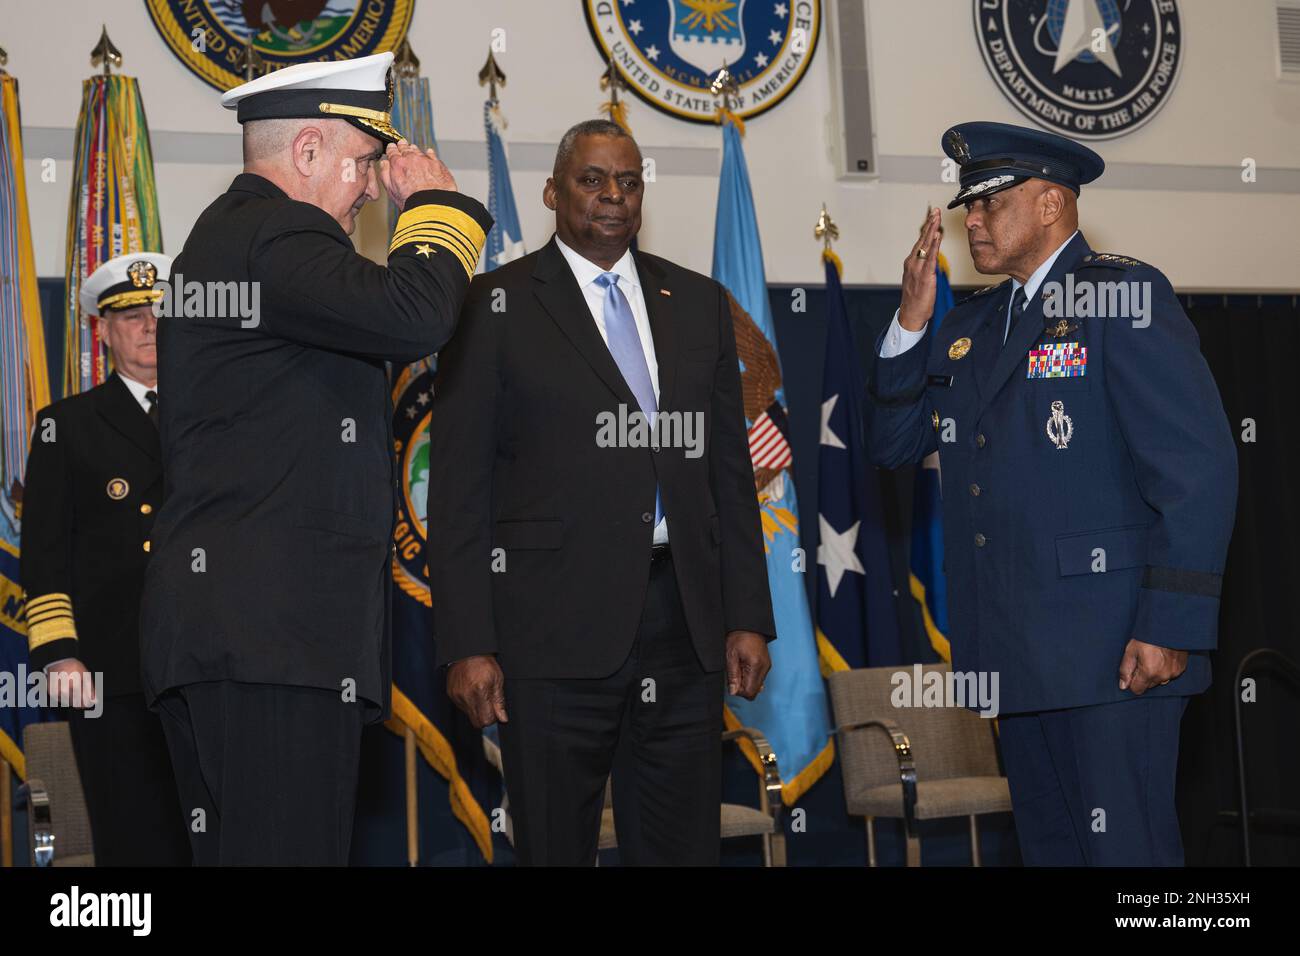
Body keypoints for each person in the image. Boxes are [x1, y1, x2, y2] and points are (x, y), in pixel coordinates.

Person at [138, 52, 492, 865]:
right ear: (307, 151)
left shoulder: (230, 237)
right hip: (272, 641)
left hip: (243, 640)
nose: (370, 188)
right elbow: (414, 313)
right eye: (363, 163)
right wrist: (436, 207)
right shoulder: (274, 232)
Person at [868, 121, 1237, 866]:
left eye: (990, 202)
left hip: (1114, 654)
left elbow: (1196, 470)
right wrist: (911, 321)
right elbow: (895, 446)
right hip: (1014, 653)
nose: (972, 220)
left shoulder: (1121, 297)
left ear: (1050, 205)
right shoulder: (972, 325)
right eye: (967, 206)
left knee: (1128, 859)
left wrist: (1171, 625)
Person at [428, 119, 775, 866]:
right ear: (552, 193)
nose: (613, 195)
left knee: (683, 849)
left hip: (683, 627)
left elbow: (729, 476)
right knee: (555, 846)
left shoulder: (699, 303)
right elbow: (457, 492)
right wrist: (467, 642)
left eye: (628, 181)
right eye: (592, 180)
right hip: (548, 631)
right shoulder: (491, 306)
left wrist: (748, 615)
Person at [22, 252, 190, 865]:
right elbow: (43, 554)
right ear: (103, 330)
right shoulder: (65, 427)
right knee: (129, 834)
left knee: (211, 832)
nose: (149, 326)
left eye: (160, 313)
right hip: (108, 668)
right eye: (131, 315)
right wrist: (59, 654)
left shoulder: (217, 419)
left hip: (205, 660)